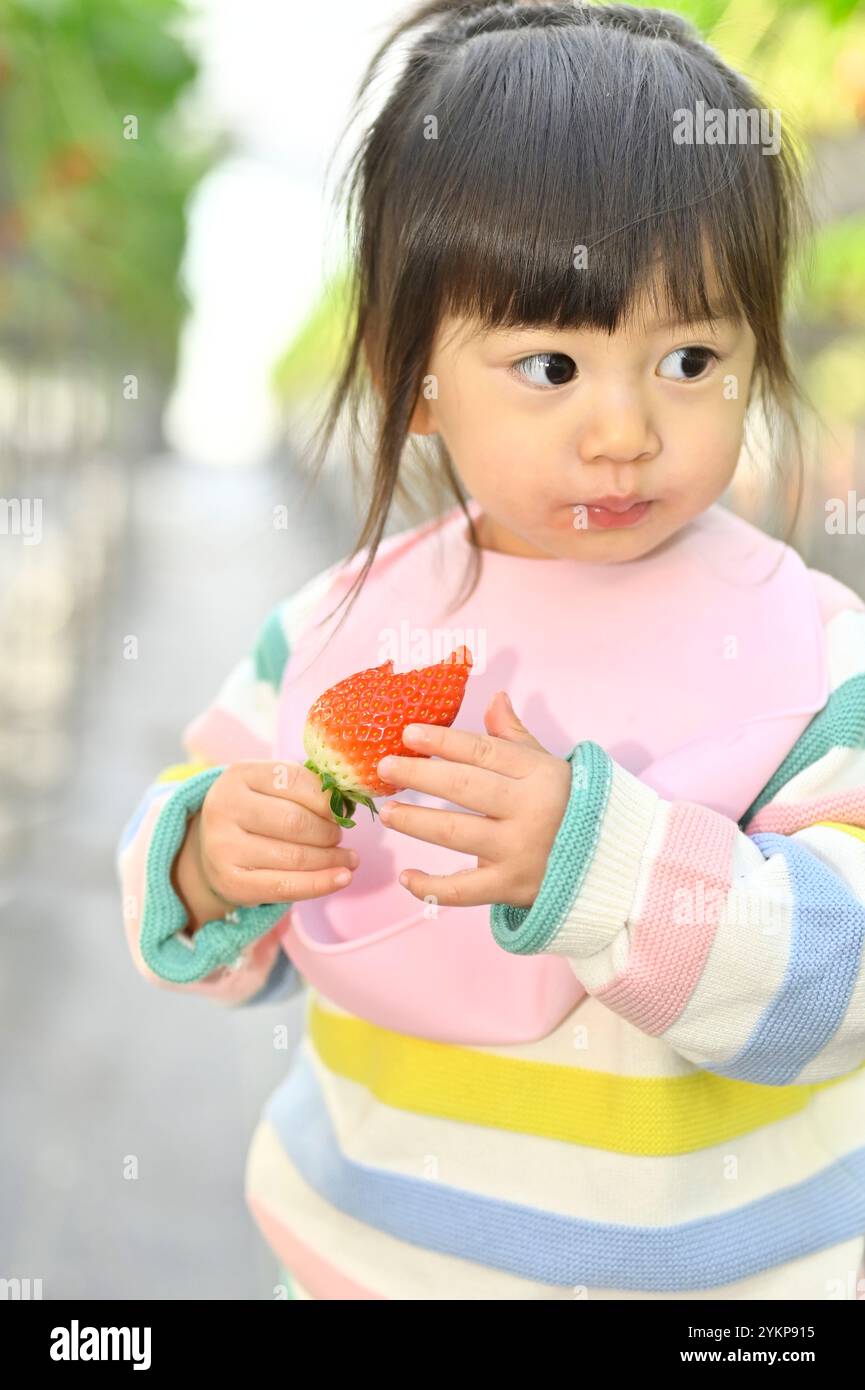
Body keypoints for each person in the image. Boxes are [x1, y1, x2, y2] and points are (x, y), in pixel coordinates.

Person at [116, 0, 865, 1299]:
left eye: (688, 356)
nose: (623, 427)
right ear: (413, 377)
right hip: (357, 1266)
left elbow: (838, 982)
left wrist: (598, 866)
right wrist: (200, 857)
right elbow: (208, 898)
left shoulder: (808, 650)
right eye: (549, 365)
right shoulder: (332, 627)